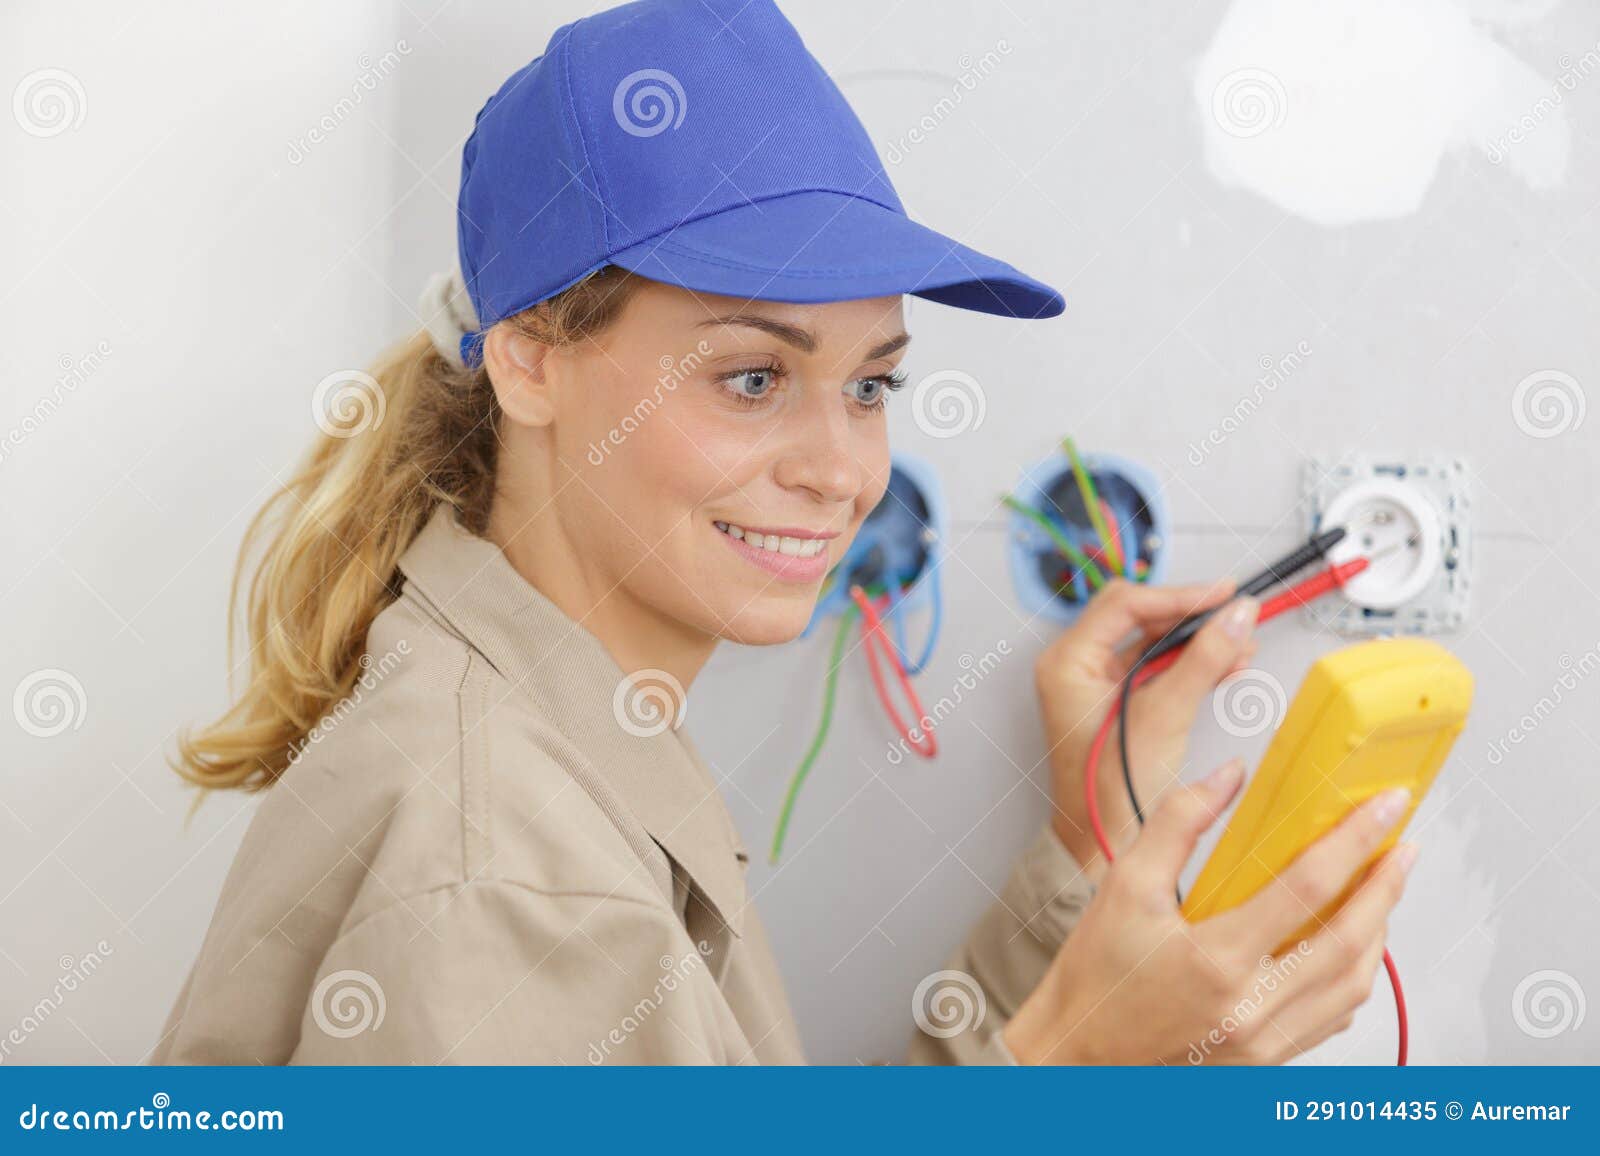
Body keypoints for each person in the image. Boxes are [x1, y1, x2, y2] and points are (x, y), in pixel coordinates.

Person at [154, 0, 1415, 1065]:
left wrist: (1086, 848)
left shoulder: (551, 739)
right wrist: (1084, 1069)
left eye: (871, 384)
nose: (844, 472)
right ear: (530, 361)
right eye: (752, 377)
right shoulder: (512, 888)